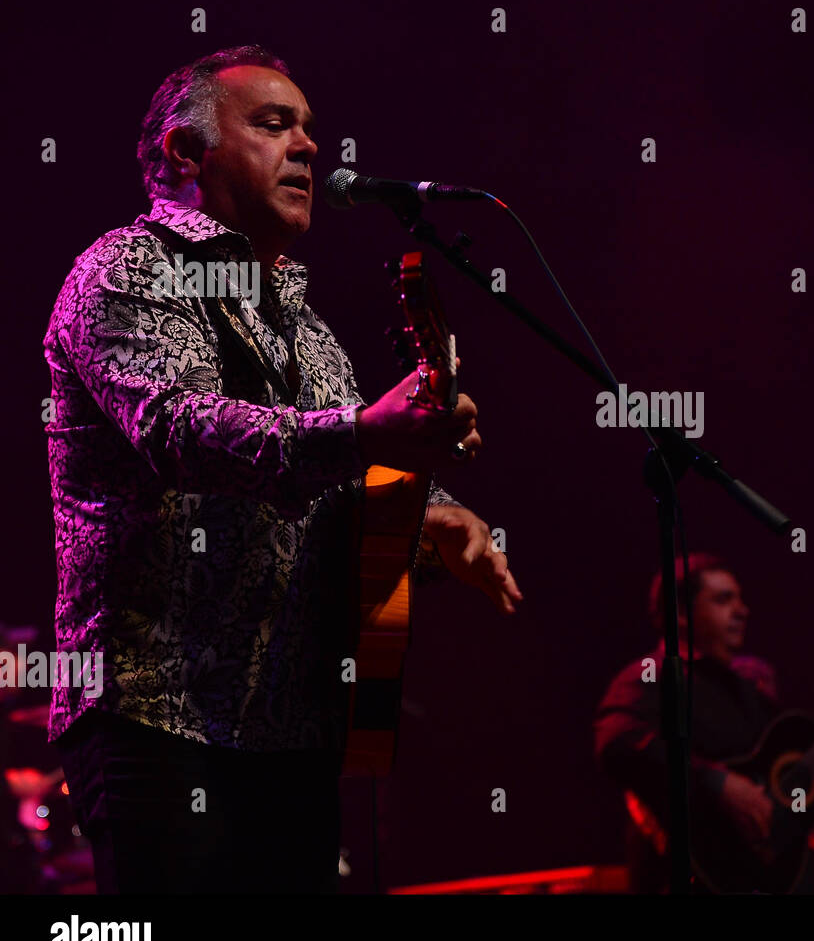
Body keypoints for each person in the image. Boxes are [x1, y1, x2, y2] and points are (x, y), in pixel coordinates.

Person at [43, 46, 522, 894]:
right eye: (273, 125)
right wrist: (372, 429)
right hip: (161, 721)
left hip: (290, 738)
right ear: (185, 155)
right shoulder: (125, 269)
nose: (307, 146)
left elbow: (339, 483)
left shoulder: (309, 331)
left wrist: (436, 514)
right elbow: (182, 431)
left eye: (310, 129)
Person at [594, 553, 814, 892]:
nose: (742, 610)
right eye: (724, 600)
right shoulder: (651, 676)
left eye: (739, 599)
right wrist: (717, 782)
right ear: (680, 613)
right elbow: (618, 742)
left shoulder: (747, 690)